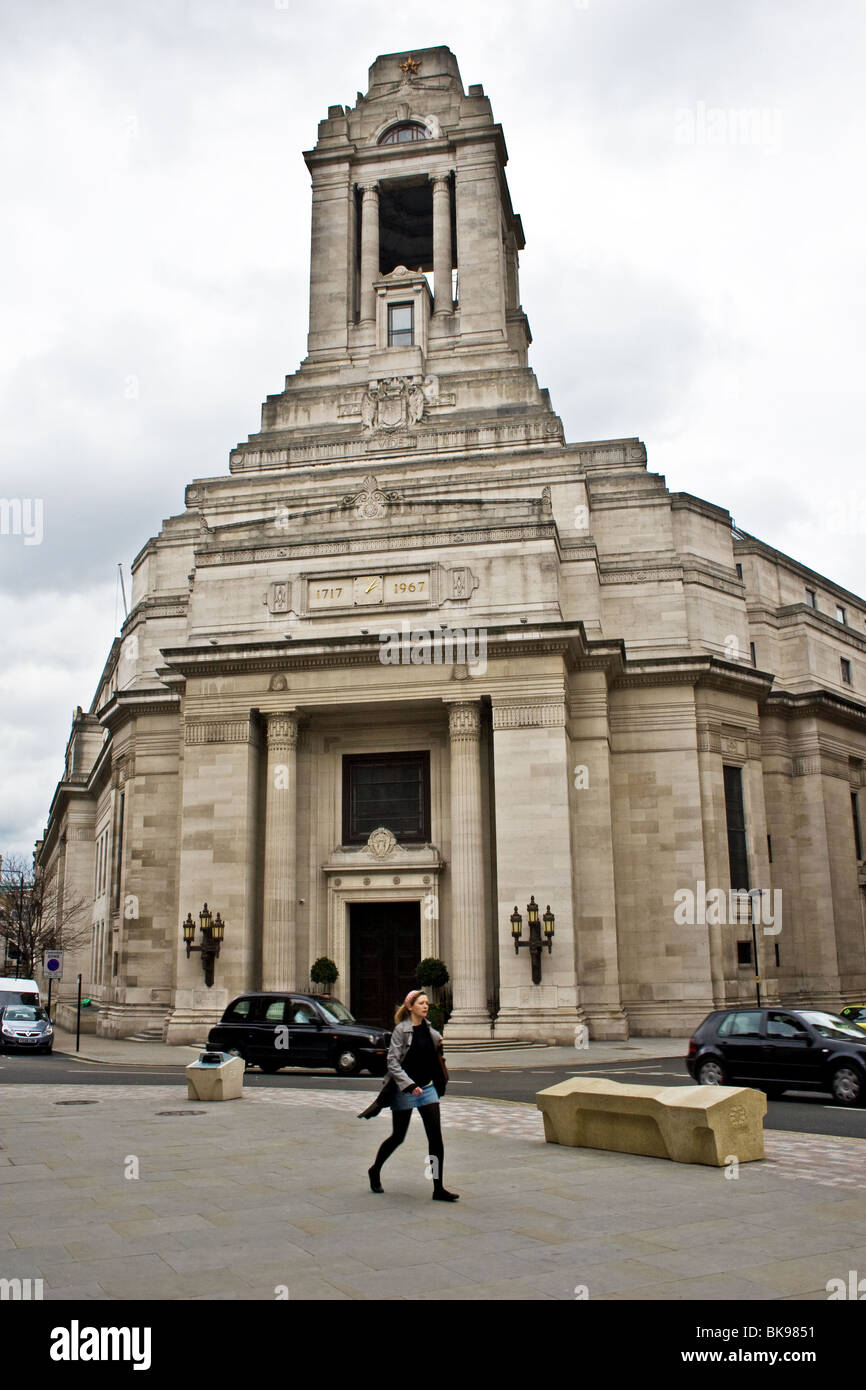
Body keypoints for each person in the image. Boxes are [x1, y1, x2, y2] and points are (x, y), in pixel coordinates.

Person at [365, 989, 458, 1202]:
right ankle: (375, 1169)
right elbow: (393, 1063)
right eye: (421, 1003)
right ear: (410, 1007)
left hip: (427, 1089)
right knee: (398, 1136)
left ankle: (438, 1188)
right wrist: (408, 1085)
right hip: (405, 1091)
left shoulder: (432, 1032)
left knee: (436, 1139)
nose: (426, 1006)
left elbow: (435, 1059)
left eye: (427, 1003)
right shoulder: (401, 1030)